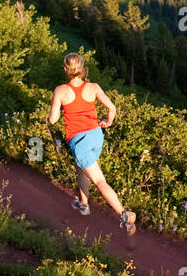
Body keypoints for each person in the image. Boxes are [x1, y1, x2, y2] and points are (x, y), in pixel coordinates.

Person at [48, 52, 136, 234]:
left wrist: (56, 111)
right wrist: (108, 121)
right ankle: (83, 203)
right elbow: (111, 108)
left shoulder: (61, 90)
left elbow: (53, 120)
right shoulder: (93, 87)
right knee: (81, 168)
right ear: (82, 68)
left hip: (80, 140)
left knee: (99, 180)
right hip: (96, 135)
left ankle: (124, 214)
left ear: (66, 69)